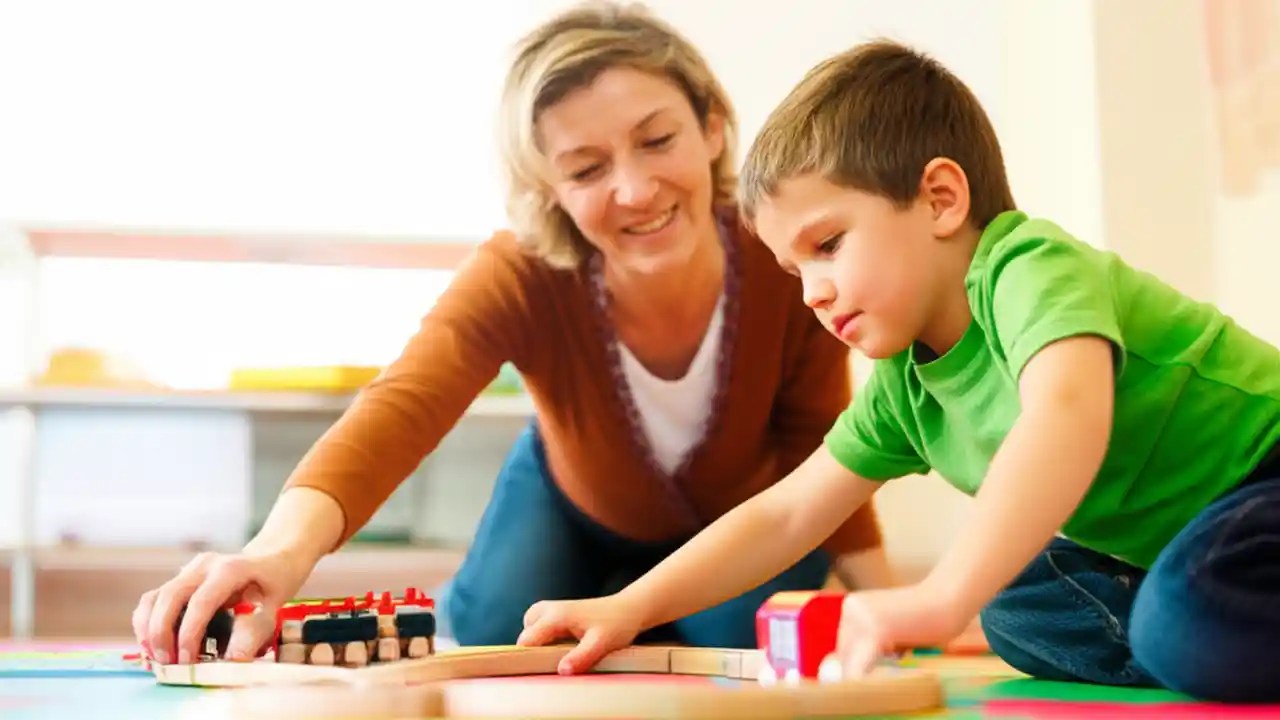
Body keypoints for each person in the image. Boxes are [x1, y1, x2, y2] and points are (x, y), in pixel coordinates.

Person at [130, 1, 894, 667]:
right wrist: (275, 553)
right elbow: (402, 406)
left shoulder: (783, 261)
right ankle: (596, 596)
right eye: (587, 168)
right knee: (496, 629)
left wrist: (896, 611)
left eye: (657, 141)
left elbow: (825, 450)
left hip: (741, 517)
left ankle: (626, 605)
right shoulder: (521, 272)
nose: (633, 189)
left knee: (730, 639)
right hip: (568, 500)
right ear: (551, 191)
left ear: (714, 130)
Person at [515, 38, 1280, 703]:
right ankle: (1188, 644)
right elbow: (787, 514)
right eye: (792, 270)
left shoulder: (1027, 266)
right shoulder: (906, 386)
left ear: (941, 199)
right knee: (1017, 605)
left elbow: (1067, 414)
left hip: (1263, 478)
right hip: (1196, 543)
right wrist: (630, 607)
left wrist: (942, 599)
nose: (811, 291)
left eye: (827, 245)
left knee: (1178, 613)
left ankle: (1188, 636)